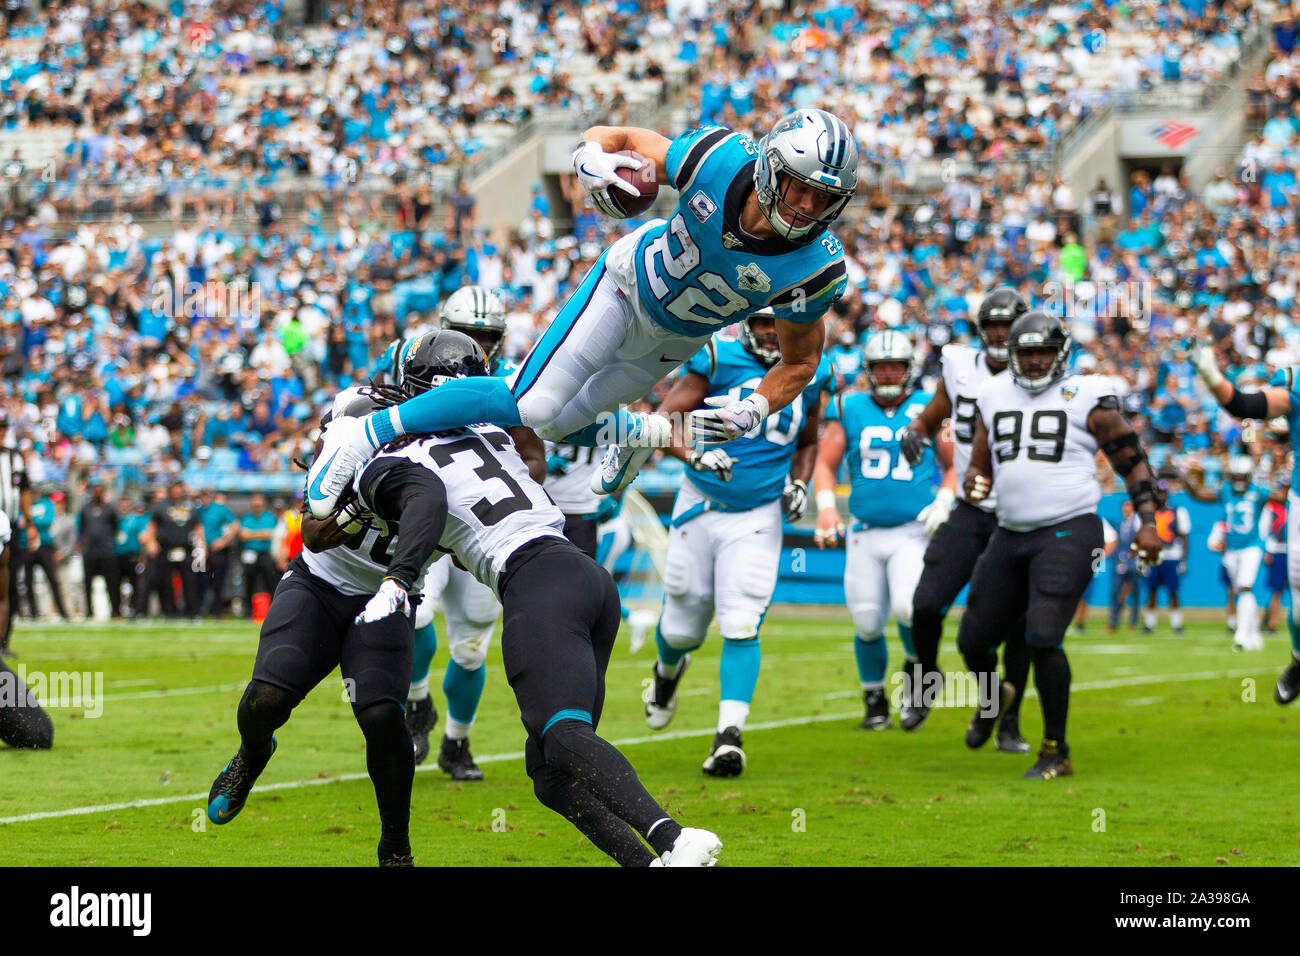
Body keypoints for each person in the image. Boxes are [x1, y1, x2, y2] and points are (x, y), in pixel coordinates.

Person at [305, 108, 857, 519]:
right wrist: (591, 155)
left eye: (822, 198)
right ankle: (368, 432)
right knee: (532, 399)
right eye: (798, 187)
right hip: (627, 284)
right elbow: (619, 137)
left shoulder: (815, 268)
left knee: (550, 424)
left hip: (674, 340)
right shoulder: (719, 161)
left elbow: (800, 362)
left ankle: (640, 431)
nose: (806, 207)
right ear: (769, 167)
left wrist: (757, 407)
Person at [349, 332, 722, 866]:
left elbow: (419, 518)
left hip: (536, 581)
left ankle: (674, 839)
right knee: (551, 774)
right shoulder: (499, 424)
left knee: (563, 735)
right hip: (583, 574)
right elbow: (545, 447)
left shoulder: (400, 455)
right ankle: (648, 863)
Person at [206, 332, 471, 866]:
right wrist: (360, 510)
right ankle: (254, 752)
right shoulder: (361, 419)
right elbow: (312, 531)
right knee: (265, 701)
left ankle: (395, 843)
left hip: (386, 598)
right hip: (320, 582)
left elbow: (471, 549)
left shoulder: (475, 447)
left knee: (381, 720)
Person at [958, 311, 1163, 778]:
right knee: (972, 640)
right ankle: (996, 700)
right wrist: (974, 478)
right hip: (1010, 531)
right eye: (1025, 352)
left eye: (1042, 352)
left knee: (1043, 634)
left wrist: (1149, 522)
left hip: (1070, 529)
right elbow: (980, 464)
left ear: (1060, 354)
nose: (1033, 362)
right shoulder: (991, 395)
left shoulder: (1087, 394)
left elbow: (1133, 461)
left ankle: (1056, 749)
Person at [642, 311, 828, 775]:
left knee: (742, 618)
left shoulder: (814, 368)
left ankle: (729, 736)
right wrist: (697, 455)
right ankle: (666, 677)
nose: (771, 332)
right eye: (764, 322)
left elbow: (807, 441)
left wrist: (800, 483)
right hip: (700, 503)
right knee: (683, 625)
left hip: (758, 514)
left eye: (779, 323)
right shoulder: (718, 356)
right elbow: (666, 421)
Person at [398, 286, 547, 778]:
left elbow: (534, 461)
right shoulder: (415, 372)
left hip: (485, 531)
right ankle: (417, 703)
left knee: (470, 646)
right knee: (414, 617)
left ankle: (456, 742)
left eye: (486, 336)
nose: (477, 346)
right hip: (430, 524)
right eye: (467, 335)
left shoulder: (510, 386)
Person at [896, 287, 1032, 743]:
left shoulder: (1036, 375)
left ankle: (1002, 717)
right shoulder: (960, 365)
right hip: (971, 510)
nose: (998, 332)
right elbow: (937, 412)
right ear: (979, 330)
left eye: (1006, 324)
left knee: (1014, 628)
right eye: (991, 325)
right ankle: (925, 681)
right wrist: (916, 429)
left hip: (1017, 515)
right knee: (926, 604)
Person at [813, 330, 958, 733]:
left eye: (896, 366)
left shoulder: (929, 405)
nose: (890, 373)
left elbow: (956, 466)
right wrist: (826, 510)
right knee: (866, 621)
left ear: (909, 369)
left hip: (913, 530)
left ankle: (920, 676)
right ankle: (874, 699)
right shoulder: (849, 406)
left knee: (909, 609)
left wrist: (943, 501)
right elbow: (825, 465)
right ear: (869, 370)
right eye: (882, 366)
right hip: (864, 531)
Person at [1182, 456, 1267, 651]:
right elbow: (1198, 495)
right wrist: (1185, 476)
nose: (1238, 480)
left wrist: (1287, 483)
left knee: (1245, 587)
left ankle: (1242, 636)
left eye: (1242, 476)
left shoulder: (1259, 492)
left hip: (1252, 546)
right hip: (1231, 549)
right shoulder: (1226, 490)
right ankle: (1254, 633)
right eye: (1235, 476)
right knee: (1242, 591)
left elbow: (1280, 497)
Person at [139, 483, 205, 618]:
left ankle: (192, 611)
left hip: (186, 548)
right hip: (165, 548)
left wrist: (202, 545)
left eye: (180, 488)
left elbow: (198, 527)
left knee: (190, 581)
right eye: (175, 488)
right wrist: (151, 542)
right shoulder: (161, 506)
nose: (178, 491)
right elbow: (152, 525)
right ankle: (170, 611)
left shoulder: (190, 507)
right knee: (165, 581)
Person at [1142, 480, 1192, 634]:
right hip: (1153, 555)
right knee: (1152, 590)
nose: (1160, 496)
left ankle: (1176, 623)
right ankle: (1149, 624)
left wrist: (1183, 560)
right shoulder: (1148, 513)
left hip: (1171, 555)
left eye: (1163, 493)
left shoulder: (1177, 511)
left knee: (1173, 590)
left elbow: (1184, 537)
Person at [24, 486, 69, 621]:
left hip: (45, 545)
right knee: (28, 581)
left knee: (53, 580)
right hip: (29, 546)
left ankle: (62, 611)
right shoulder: (26, 503)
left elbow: (47, 520)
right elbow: (19, 521)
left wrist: (30, 521)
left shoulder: (46, 503)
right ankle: (32, 612)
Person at [78, 483, 120, 619]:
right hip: (90, 551)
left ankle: (115, 610)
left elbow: (115, 527)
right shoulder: (86, 509)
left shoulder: (110, 509)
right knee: (88, 584)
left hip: (106, 552)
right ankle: (89, 611)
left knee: (112, 583)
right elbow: (82, 528)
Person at [197, 489, 239, 618]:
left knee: (218, 581)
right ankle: (202, 609)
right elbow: (197, 527)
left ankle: (217, 610)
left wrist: (224, 541)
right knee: (201, 581)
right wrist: (201, 543)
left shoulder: (219, 509)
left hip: (217, 550)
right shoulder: (198, 511)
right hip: (201, 550)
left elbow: (235, 524)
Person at [238, 493, 279, 618]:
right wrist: (260, 534)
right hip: (249, 554)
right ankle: (248, 611)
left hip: (265, 554)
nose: (257, 505)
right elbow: (242, 535)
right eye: (255, 503)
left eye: (259, 503)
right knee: (248, 583)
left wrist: (251, 534)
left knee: (271, 582)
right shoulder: (246, 518)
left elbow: (269, 534)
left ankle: (274, 610)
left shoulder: (270, 517)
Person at [1110, 501, 1144, 631]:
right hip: (1120, 565)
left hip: (1133, 565)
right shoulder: (1119, 525)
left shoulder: (1137, 525)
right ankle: (1114, 621)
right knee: (1116, 593)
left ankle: (1133, 622)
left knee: (1134, 594)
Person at [1262, 477, 1289, 633]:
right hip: (1278, 550)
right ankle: (1272, 623)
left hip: (1293, 551)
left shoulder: (1295, 507)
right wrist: (1267, 551)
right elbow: (1265, 531)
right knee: (1277, 590)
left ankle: (1267, 620)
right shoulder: (1272, 508)